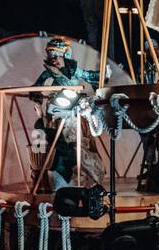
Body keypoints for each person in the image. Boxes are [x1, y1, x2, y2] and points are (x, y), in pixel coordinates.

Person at [32, 37, 105, 189]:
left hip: (75, 115)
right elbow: (36, 86)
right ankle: (61, 180)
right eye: (51, 55)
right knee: (57, 145)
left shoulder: (74, 71)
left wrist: (103, 76)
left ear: (65, 55)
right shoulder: (49, 72)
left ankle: (85, 180)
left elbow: (92, 76)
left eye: (57, 55)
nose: (54, 59)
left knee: (78, 145)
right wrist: (37, 95)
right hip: (57, 114)